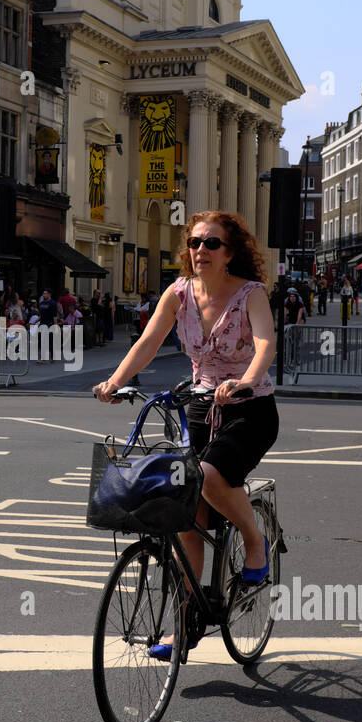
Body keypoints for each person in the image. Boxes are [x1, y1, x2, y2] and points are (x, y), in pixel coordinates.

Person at [94, 210, 279, 660]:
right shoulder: (179, 293)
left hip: (249, 409)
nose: (200, 251)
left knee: (211, 476)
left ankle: (255, 543)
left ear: (229, 252)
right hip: (198, 407)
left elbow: (265, 344)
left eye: (211, 244)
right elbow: (148, 342)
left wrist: (247, 380)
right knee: (186, 513)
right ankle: (186, 622)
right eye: (195, 242)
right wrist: (116, 382)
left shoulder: (251, 294)